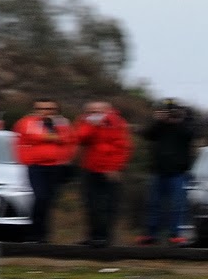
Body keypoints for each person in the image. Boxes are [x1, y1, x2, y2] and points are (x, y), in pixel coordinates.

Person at [12, 98, 76, 243]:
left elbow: (69, 139)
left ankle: (43, 235)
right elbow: (33, 135)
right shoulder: (27, 121)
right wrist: (54, 137)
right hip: (36, 166)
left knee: (49, 201)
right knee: (40, 197)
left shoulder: (63, 123)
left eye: (49, 109)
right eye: (41, 109)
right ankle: (34, 233)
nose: (45, 113)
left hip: (57, 167)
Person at [72, 101, 133, 248]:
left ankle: (105, 237)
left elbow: (123, 147)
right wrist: (92, 125)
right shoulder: (84, 122)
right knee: (91, 204)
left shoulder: (116, 123)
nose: (95, 113)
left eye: (99, 110)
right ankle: (93, 235)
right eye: (91, 111)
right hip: (90, 168)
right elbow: (80, 138)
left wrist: (115, 167)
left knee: (108, 205)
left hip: (110, 170)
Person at [139, 99, 196, 246]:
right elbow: (147, 135)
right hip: (158, 171)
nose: (171, 115)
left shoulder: (184, 127)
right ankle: (151, 234)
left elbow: (191, 134)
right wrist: (159, 121)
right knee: (153, 203)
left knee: (177, 205)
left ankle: (175, 234)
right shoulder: (160, 127)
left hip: (177, 172)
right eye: (169, 112)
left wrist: (181, 119)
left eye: (174, 112)